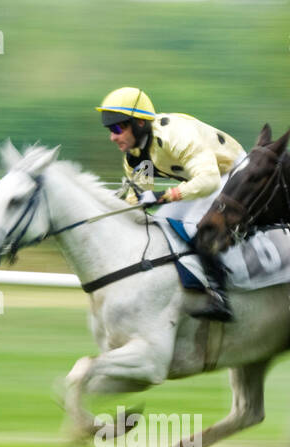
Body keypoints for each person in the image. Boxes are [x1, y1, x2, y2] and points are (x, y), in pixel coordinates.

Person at [96, 87, 245, 320]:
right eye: (110, 129)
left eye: (117, 128)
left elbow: (209, 180)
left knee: (190, 225)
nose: (112, 137)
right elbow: (138, 200)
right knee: (160, 222)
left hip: (235, 174)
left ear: (139, 123)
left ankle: (220, 297)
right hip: (200, 181)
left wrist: (162, 196)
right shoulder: (135, 157)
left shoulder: (173, 136)